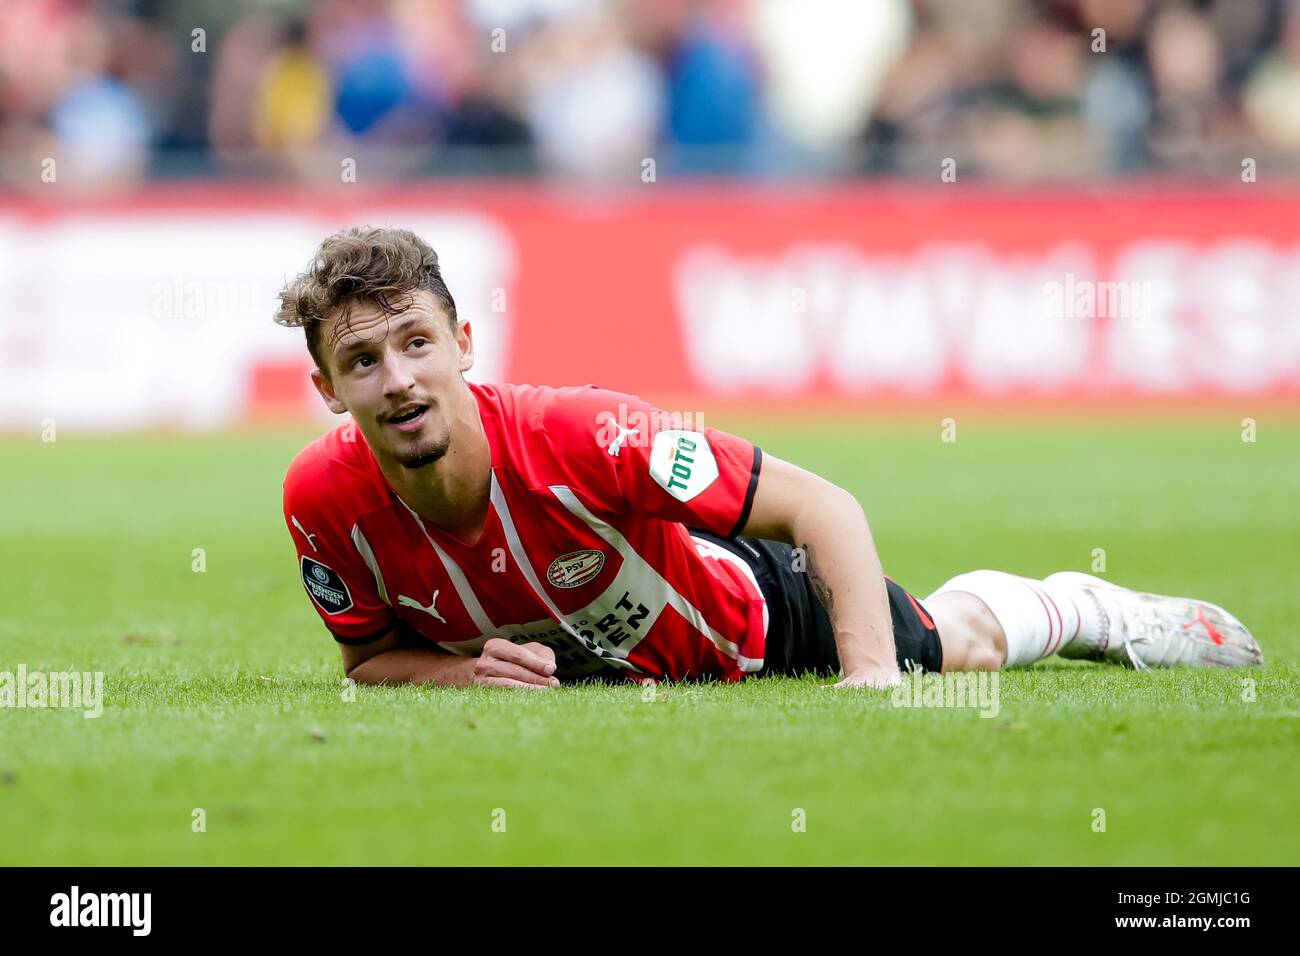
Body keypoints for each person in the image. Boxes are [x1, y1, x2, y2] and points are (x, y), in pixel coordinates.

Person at [275, 227, 1263, 691]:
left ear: (465, 345)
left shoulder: (589, 436)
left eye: (415, 343)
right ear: (327, 389)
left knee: (956, 647)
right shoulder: (320, 500)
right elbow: (370, 661)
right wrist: (466, 681)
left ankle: (1091, 608)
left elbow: (824, 506)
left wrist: (870, 677)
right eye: (360, 360)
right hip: (625, 682)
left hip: (759, 614)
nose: (397, 380)